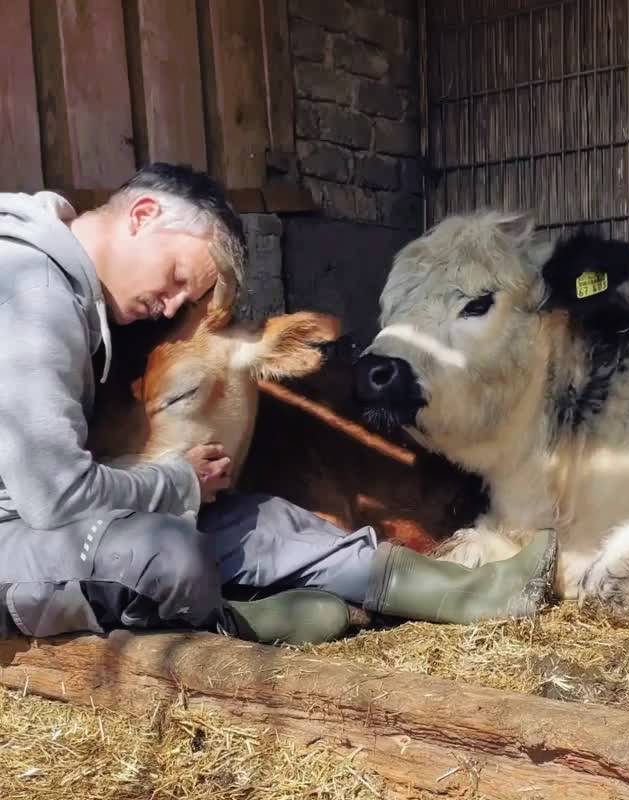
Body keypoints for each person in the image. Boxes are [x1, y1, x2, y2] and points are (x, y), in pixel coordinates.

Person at [0, 162, 557, 646]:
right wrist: (179, 484)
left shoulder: (80, 299)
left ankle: (466, 590)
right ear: (142, 215)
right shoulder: (34, 295)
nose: (168, 304)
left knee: (257, 518)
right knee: (161, 550)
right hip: (16, 535)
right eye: (175, 278)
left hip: (54, 522)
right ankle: (232, 623)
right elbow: (57, 497)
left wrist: (179, 487)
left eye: (183, 296)